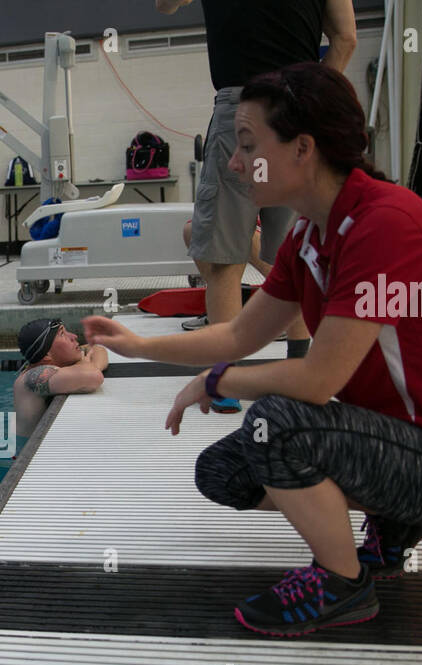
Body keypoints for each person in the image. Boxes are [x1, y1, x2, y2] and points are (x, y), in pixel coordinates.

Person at [83, 63, 422, 636]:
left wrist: (218, 381)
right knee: (223, 471)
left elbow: (317, 381)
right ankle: (394, 524)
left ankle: (343, 582)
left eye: (248, 144)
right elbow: (239, 335)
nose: (235, 162)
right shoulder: (310, 234)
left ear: (303, 148)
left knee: (275, 424)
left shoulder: (385, 224)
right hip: (396, 441)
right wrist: (137, 346)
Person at [158, 0, 357, 412]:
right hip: (298, 113)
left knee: (223, 260)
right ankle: (299, 372)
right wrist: (311, 99)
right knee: (297, 256)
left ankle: (224, 384)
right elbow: (346, 37)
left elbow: (165, 5)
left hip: (241, 108)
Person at [13, 318, 109, 439]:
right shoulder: (33, 377)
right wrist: (85, 365)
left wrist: (92, 366)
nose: (73, 336)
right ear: (47, 355)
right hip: (28, 447)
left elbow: (96, 349)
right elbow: (94, 377)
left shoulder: (55, 364)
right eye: (63, 334)